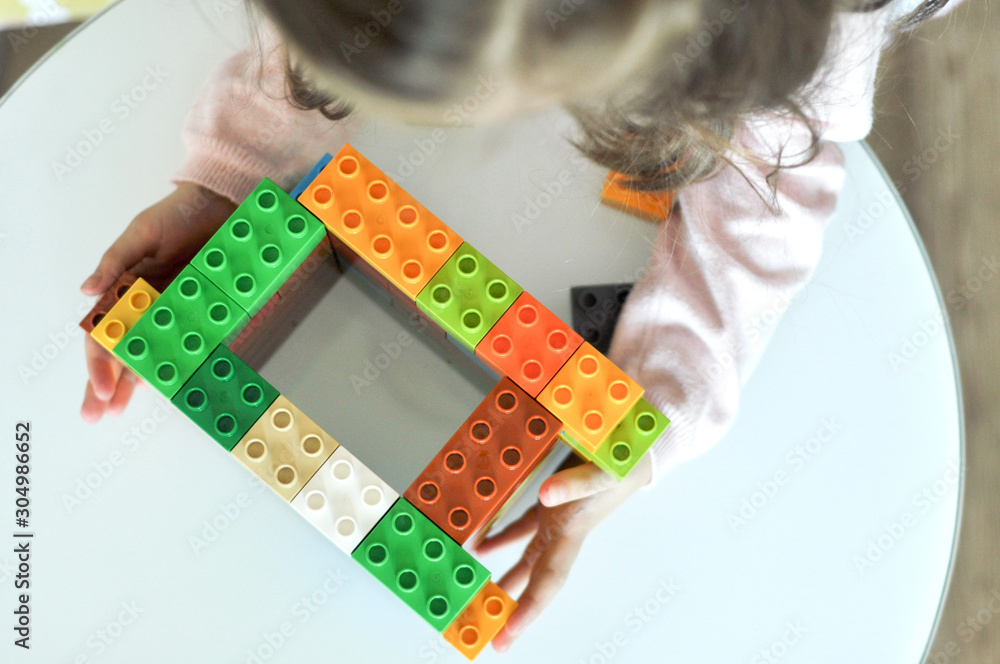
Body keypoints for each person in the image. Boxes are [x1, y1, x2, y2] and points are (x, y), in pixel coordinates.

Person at [79, 0, 956, 652]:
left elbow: (766, 192)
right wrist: (230, 173)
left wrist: (643, 418)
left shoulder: (786, 47)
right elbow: (330, 35)